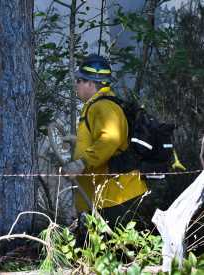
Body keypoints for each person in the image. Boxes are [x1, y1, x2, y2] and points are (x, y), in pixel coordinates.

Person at [63, 54, 149, 228]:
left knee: (115, 252)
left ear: (91, 83)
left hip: (114, 198)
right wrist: (78, 141)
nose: (76, 84)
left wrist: (82, 163)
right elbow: (107, 139)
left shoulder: (102, 106)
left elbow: (111, 139)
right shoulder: (104, 104)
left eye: (79, 80)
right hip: (110, 197)